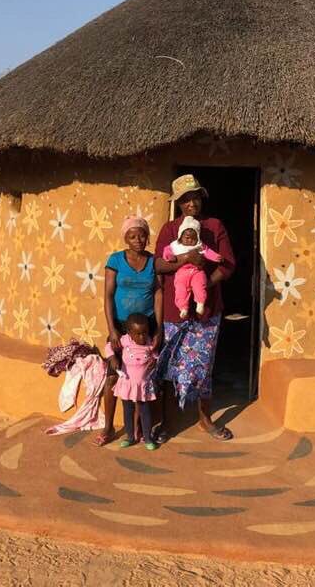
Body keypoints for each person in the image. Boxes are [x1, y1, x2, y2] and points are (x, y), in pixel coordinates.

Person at [154, 174, 236, 442]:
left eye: (196, 197)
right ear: (178, 203)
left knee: (203, 366)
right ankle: (166, 421)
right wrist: (185, 261)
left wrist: (205, 285)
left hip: (206, 310)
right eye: (186, 199)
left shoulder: (214, 227)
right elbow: (158, 264)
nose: (192, 203)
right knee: (170, 365)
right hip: (174, 310)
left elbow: (227, 264)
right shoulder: (169, 230)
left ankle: (204, 419)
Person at [93, 215, 163, 446]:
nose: (138, 240)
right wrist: (112, 330)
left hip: (146, 327)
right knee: (113, 374)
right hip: (122, 326)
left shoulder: (154, 262)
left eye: (142, 235)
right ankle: (109, 427)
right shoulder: (115, 260)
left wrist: (159, 328)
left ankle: (138, 429)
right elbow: (108, 296)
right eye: (132, 236)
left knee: (144, 375)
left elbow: (158, 294)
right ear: (125, 238)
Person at [113, 313, 159, 450]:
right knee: (128, 410)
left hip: (142, 385)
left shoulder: (150, 343)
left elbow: (156, 356)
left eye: (144, 333)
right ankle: (130, 437)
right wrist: (112, 359)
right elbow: (109, 347)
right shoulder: (125, 341)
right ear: (129, 333)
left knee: (145, 411)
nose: (142, 337)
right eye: (138, 334)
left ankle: (148, 438)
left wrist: (155, 362)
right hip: (127, 384)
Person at [163, 216, 223, 318]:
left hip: (197, 271)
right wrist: (170, 257)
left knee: (200, 285)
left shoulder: (199, 245)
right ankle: (183, 308)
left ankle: (200, 304)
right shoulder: (175, 245)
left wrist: (216, 257)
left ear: (198, 238)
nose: (190, 240)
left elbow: (208, 252)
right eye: (187, 238)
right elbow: (166, 251)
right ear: (181, 236)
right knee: (180, 289)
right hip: (182, 272)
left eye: (193, 238)